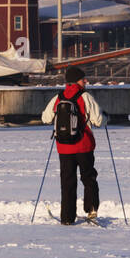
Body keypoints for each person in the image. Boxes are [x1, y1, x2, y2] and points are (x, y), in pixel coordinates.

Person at [40, 65, 108, 225]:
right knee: (88, 177)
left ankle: (67, 217)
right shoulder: (85, 96)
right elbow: (99, 120)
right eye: (83, 78)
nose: (86, 81)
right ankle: (91, 209)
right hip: (83, 145)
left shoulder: (58, 97)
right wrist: (106, 118)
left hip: (63, 147)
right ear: (76, 81)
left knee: (67, 181)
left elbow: (45, 118)